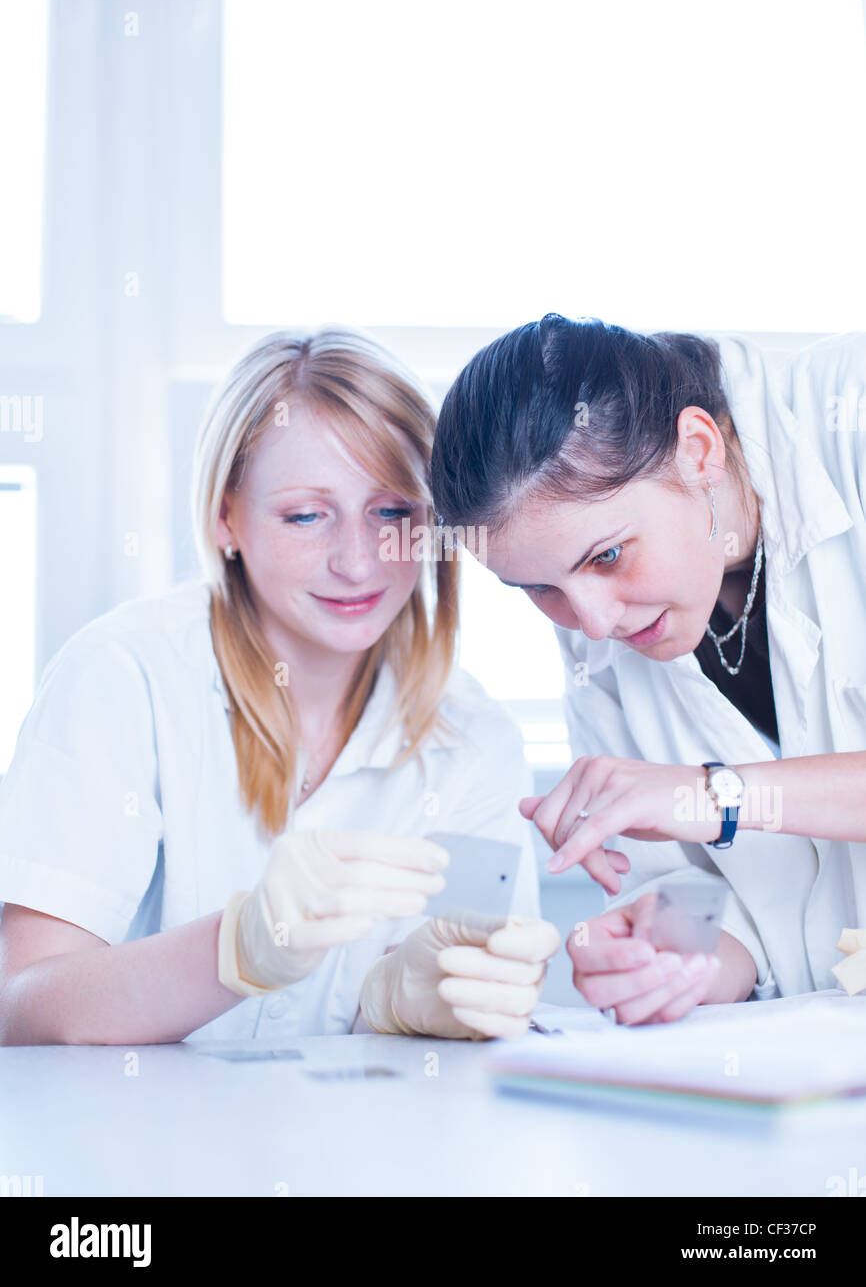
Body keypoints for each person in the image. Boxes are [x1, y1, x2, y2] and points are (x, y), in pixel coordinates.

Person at [0, 328, 559, 1046]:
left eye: (393, 513)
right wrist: (236, 949)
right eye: (305, 516)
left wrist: (411, 1006)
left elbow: (471, 992)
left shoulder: (476, 739)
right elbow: (20, 1007)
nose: (358, 563)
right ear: (225, 517)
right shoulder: (122, 680)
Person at [430, 313, 866, 1025]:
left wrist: (717, 798)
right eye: (537, 589)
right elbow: (724, 926)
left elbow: (712, 802)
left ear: (699, 450)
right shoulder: (592, 614)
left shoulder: (853, 420)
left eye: (607, 556)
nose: (594, 624)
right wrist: (669, 959)